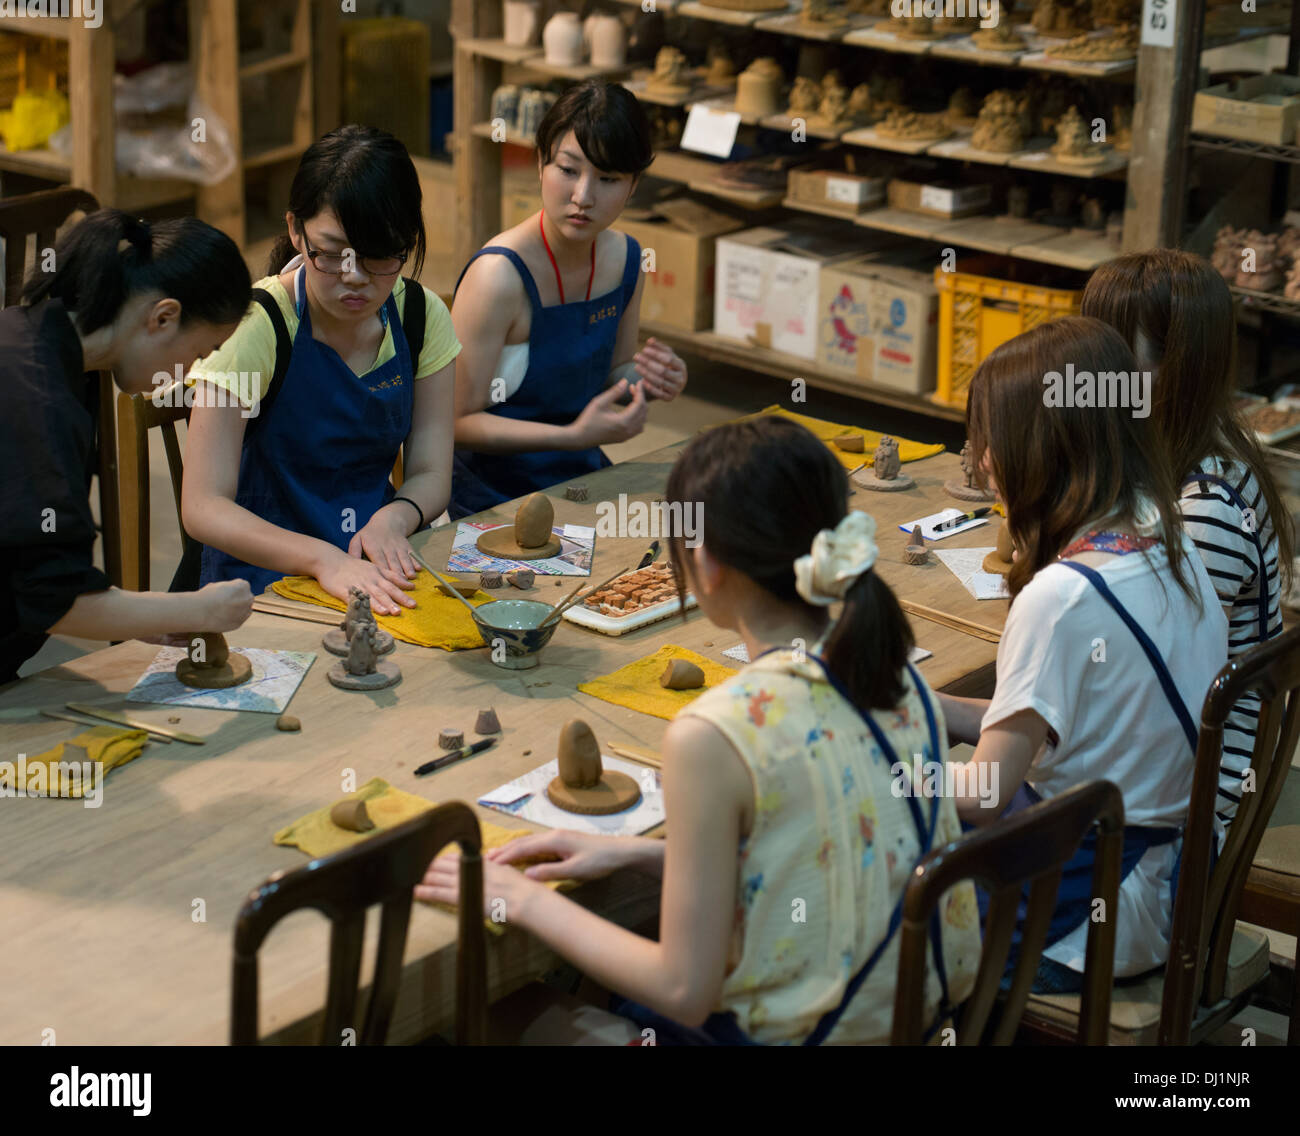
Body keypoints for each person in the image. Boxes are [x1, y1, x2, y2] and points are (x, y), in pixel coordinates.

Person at [418, 418, 979, 1045]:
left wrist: (525, 901)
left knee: (485, 1013)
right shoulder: (894, 674)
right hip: (919, 1027)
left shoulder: (716, 732)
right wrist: (638, 853)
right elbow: (811, 849)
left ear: (705, 563)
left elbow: (684, 991)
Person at [938, 317, 1227, 992]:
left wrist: (871, 771)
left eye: (992, 440)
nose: (982, 461)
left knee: (862, 910)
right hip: (1171, 885)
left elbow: (984, 793)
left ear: (1043, 449)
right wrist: (930, 707)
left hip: (1090, 919)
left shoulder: (1061, 599)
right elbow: (1075, 724)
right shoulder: (1168, 538)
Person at [182, 125, 461, 613]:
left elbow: (432, 470)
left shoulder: (419, 317)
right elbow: (203, 507)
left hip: (370, 562)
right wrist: (322, 560)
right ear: (295, 230)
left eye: (378, 255)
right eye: (331, 253)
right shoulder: (257, 327)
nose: (354, 276)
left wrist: (395, 518)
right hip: (260, 579)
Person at [1081, 249, 1293, 842]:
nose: (1091, 375)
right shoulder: (1179, 456)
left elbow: (1144, 672)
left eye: (1114, 356)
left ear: (1178, 368)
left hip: (1189, 805)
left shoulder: (1204, 505)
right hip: (1173, 755)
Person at [0, 210, 255, 685]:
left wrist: (144, 615)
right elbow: (58, 601)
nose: (189, 373)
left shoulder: (43, 340)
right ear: (163, 317)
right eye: (199, 354)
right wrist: (200, 608)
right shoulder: (36, 395)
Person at [449, 80, 688, 518]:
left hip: (582, 479)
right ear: (541, 162)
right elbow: (454, 424)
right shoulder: (498, 276)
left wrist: (651, 380)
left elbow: (614, 372)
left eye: (608, 178)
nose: (583, 197)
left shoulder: (627, 259)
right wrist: (572, 435)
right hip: (494, 496)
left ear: (633, 186)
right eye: (568, 169)